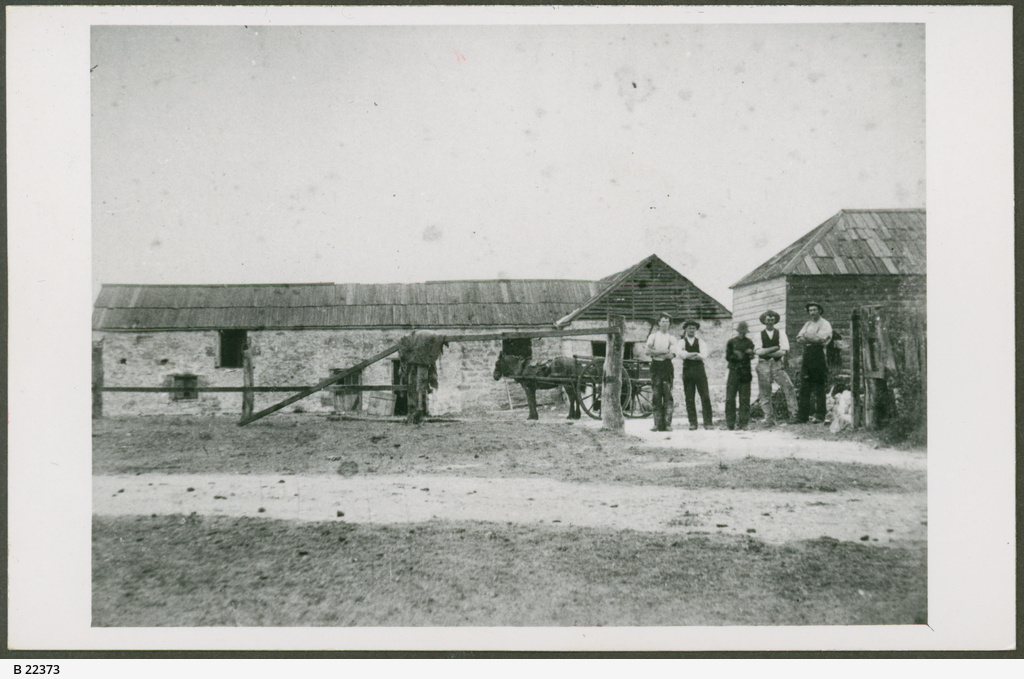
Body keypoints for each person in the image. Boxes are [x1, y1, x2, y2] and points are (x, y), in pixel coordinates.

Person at [754, 310, 799, 425]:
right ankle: (769, 418)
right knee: (765, 392)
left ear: (775, 321)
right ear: (764, 321)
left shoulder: (781, 333)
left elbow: (783, 351)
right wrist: (775, 348)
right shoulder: (758, 335)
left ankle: (794, 415)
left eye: (772, 320)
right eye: (768, 320)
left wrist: (767, 352)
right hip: (763, 365)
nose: (770, 322)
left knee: (789, 387)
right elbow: (759, 352)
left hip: (777, 364)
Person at [796, 302, 833, 423]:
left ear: (819, 311)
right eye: (810, 310)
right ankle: (802, 416)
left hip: (818, 354)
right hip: (807, 355)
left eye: (814, 310)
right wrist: (810, 337)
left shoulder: (825, 324)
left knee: (819, 386)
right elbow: (798, 338)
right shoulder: (808, 324)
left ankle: (819, 415)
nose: (812, 312)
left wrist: (807, 337)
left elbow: (820, 340)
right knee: (804, 386)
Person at [645, 312, 678, 432]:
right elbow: (648, 351)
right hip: (655, 367)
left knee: (668, 395)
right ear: (658, 323)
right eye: (663, 321)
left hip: (667, 367)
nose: (665, 324)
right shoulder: (653, 337)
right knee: (656, 395)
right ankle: (657, 424)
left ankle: (667, 424)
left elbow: (671, 355)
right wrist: (663, 351)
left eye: (667, 322)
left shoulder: (672, 338)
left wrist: (656, 352)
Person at [678, 319, 713, 430]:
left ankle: (708, 422)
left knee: (705, 396)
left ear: (696, 330)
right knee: (689, 397)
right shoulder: (681, 342)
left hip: (699, 371)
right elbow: (681, 354)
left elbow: (704, 354)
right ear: (686, 329)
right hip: (687, 371)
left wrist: (689, 355)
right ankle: (693, 423)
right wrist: (695, 354)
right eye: (689, 328)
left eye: (693, 328)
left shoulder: (700, 342)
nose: (691, 330)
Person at [724, 321, 755, 430]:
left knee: (745, 398)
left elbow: (752, 355)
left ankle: (743, 423)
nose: (742, 333)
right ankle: (730, 423)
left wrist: (749, 353)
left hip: (745, 373)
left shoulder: (749, 342)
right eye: (741, 331)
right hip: (733, 372)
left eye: (744, 332)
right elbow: (727, 357)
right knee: (730, 398)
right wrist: (736, 356)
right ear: (738, 331)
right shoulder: (731, 342)